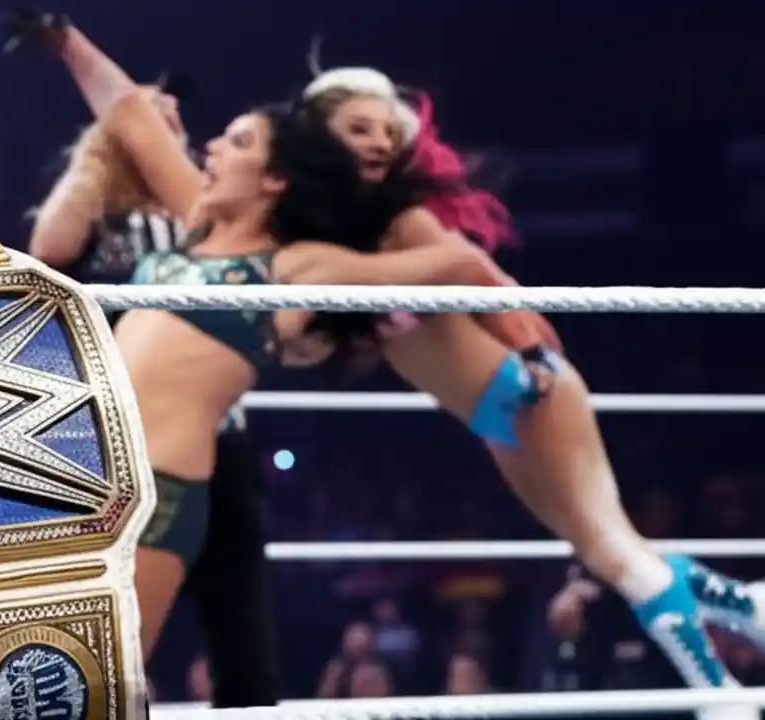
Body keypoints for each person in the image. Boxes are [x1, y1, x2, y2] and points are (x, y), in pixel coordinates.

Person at [0, 10, 549, 662]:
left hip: (158, 489)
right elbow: (130, 115)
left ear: (274, 178)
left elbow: (457, 261)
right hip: (84, 468)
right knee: (18, 661)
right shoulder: (198, 226)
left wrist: (528, 347)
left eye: (236, 142)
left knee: (103, 674)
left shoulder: (296, 267)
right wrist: (64, 38)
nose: (210, 148)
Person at [282, 62, 761, 689]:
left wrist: (529, 355)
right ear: (318, 139)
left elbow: (484, 277)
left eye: (386, 131)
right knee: (610, 553)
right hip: (493, 417)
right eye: (358, 129)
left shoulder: (402, 221)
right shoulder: (338, 236)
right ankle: (744, 609)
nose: (378, 142)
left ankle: (720, 688)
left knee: (617, 552)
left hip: (527, 391)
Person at [24, 73, 284, 707]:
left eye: (173, 120)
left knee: (240, 632)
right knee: (111, 645)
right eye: (150, 118)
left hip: (217, 438)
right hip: (116, 443)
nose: (169, 129)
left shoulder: (207, 216)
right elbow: (47, 249)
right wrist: (98, 153)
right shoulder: (99, 207)